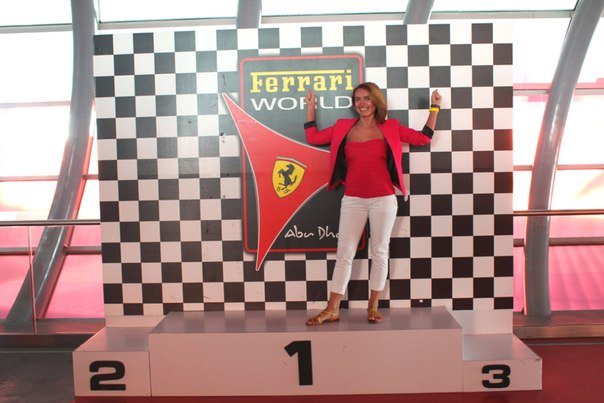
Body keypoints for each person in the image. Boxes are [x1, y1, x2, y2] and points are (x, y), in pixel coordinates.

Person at [304, 82, 442, 325]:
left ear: (376, 101)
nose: (362, 103)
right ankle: (332, 308)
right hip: (353, 199)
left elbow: (423, 138)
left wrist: (434, 108)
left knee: (379, 252)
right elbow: (313, 137)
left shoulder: (390, 127)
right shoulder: (343, 127)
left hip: (384, 199)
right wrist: (311, 108)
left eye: (367, 98)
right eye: (357, 99)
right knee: (344, 253)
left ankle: (373, 307)